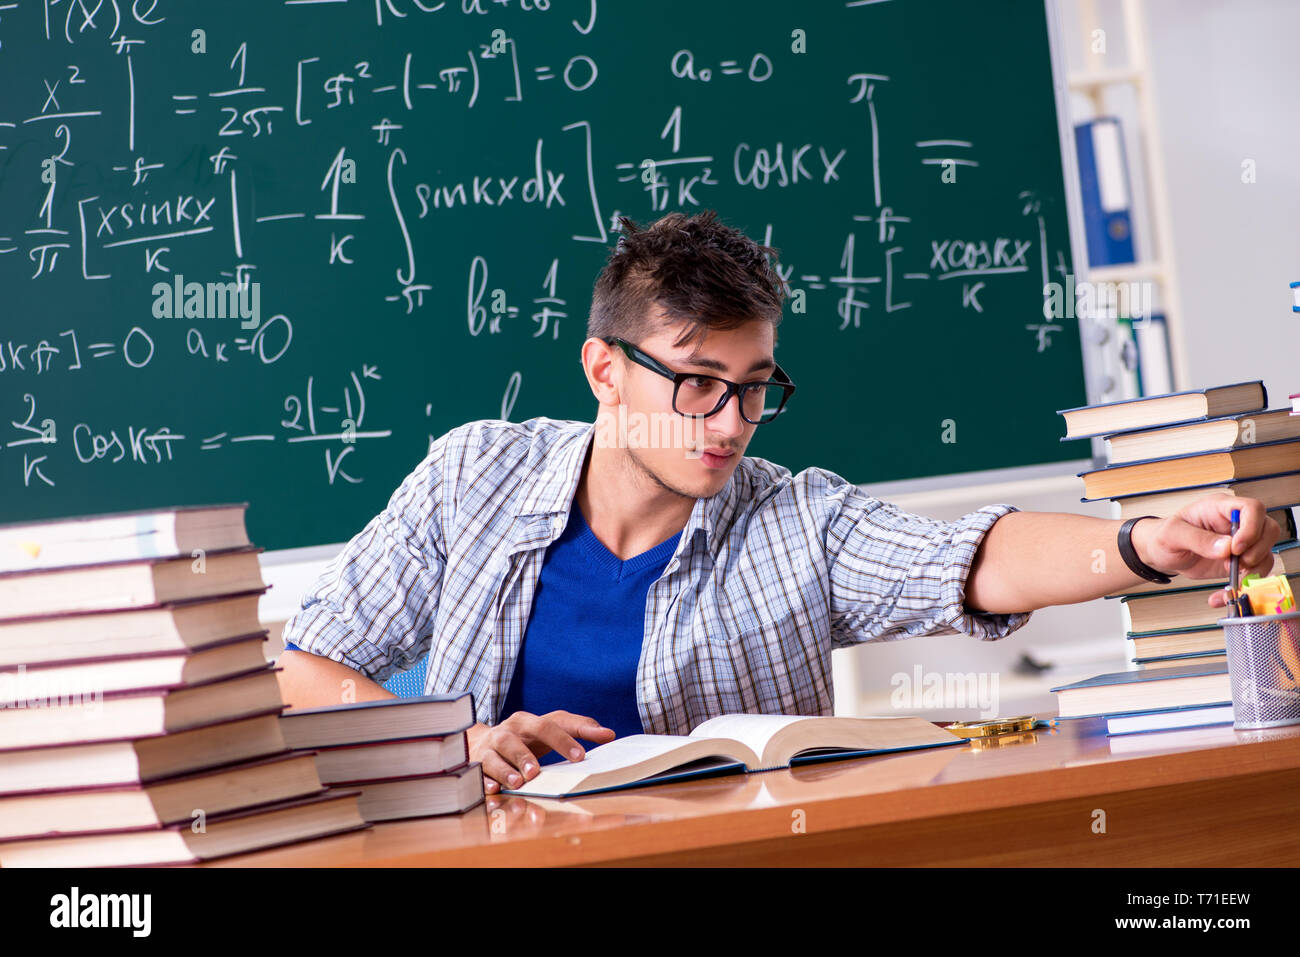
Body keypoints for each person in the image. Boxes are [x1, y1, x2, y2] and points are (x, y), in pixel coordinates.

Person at [278, 209, 1281, 793]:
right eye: (696, 380)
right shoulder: (474, 478)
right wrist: (448, 744)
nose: (728, 420)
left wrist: (1146, 542)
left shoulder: (794, 519)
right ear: (604, 370)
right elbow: (310, 666)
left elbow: (970, 559)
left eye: (755, 384)